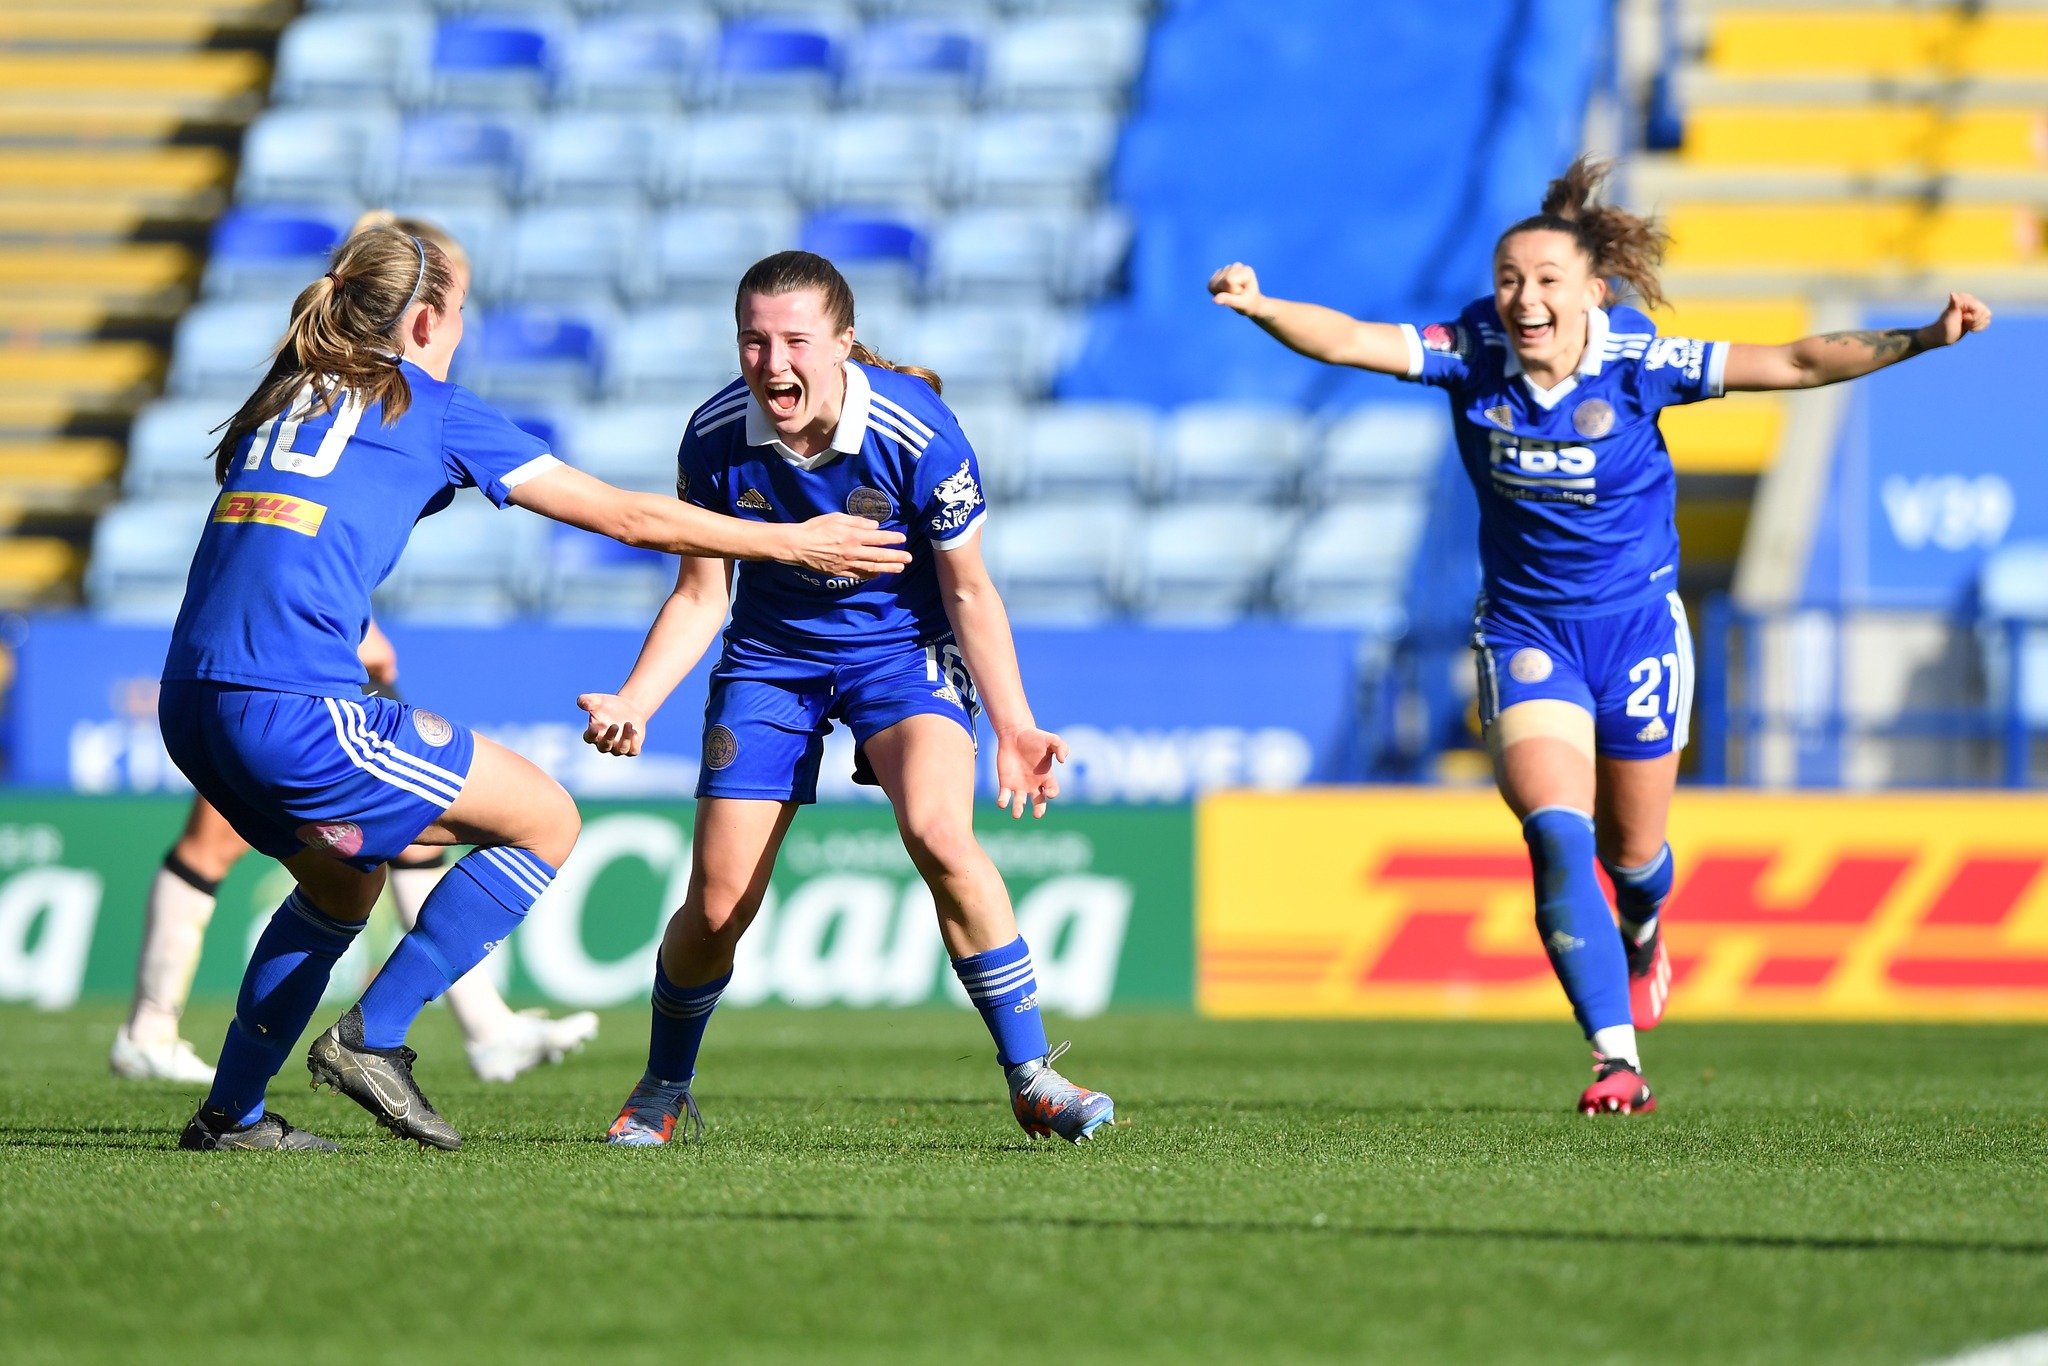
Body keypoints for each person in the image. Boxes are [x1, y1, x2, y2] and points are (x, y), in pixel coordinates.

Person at [1208, 156, 1991, 1115]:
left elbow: (1791, 360)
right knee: (1555, 829)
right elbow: (1349, 341)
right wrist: (1261, 305)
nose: (1523, 300)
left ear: (1594, 292)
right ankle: (1614, 1057)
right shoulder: (1470, 352)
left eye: (1545, 283)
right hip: (1527, 632)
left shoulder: (1640, 365)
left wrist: (1922, 338)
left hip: (1638, 633)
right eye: (1509, 281)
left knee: (1633, 854)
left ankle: (1647, 925)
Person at [166, 224, 910, 1152]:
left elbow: (278, 543)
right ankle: (375, 1036)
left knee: (341, 887)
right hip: (291, 705)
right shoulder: (426, 406)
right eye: (464, 314)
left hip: (189, 700)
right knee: (546, 818)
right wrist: (798, 540)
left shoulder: (282, 395)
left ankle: (230, 1115)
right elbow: (633, 518)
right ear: (428, 319)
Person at [580, 250, 1115, 1147]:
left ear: (845, 343)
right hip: (770, 662)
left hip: (901, 658)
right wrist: (639, 696)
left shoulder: (919, 432)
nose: (773, 363)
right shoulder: (713, 435)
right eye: (754, 341)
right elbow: (702, 594)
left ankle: (1033, 1077)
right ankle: (662, 1088)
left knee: (943, 836)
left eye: (796, 340)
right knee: (717, 906)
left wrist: (1015, 723)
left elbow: (971, 592)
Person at [111, 620, 600, 1087]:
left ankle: (487, 1026)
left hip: (246, 686)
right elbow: (374, 653)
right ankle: (153, 1031)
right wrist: (360, 633)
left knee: (400, 847)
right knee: (218, 851)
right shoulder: (305, 540)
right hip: (277, 694)